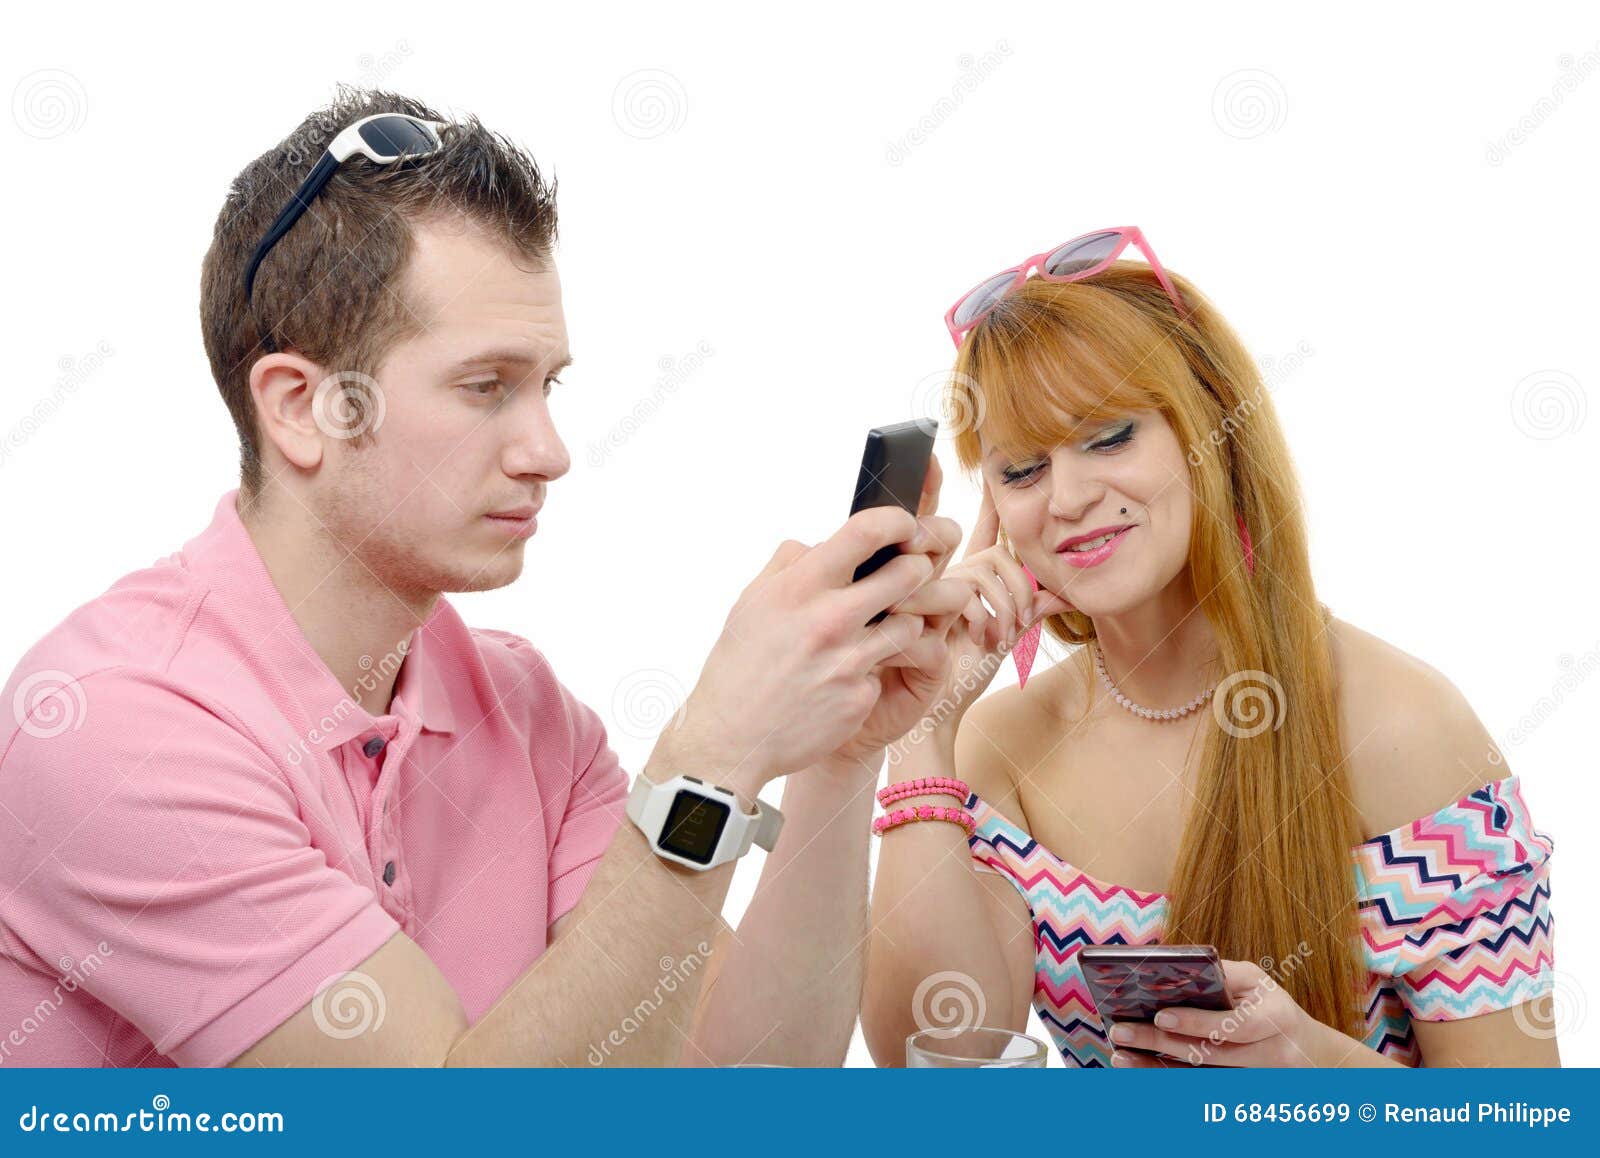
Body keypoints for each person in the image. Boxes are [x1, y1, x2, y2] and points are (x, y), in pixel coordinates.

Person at [0, 87, 976, 1068]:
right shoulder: (110, 729)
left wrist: (836, 763)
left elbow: (742, 1086)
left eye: (545, 386)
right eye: (485, 387)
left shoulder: (525, 712)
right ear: (302, 408)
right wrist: (707, 759)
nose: (549, 450)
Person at [861, 228, 1559, 1068]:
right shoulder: (999, 746)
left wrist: (1313, 1068)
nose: (1071, 498)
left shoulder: (1403, 725)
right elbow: (932, 1068)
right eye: (1022, 471)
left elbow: (1522, 1124)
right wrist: (922, 725)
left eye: (1110, 436)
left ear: (1213, 433)